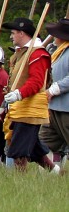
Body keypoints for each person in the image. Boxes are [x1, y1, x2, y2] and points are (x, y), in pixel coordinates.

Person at [0, 17, 58, 172]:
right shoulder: (24, 53)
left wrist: (19, 94)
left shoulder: (37, 54)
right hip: (21, 107)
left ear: (21, 33)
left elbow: (37, 81)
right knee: (33, 149)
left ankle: (20, 184)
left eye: (13, 33)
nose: (11, 36)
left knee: (19, 149)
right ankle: (56, 173)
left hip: (30, 108)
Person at [42, 17, 69, 172]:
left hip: (66, 108)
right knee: (42, 142)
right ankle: (52, 174)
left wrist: (54, 89)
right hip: (54, 107)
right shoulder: (59, 52)